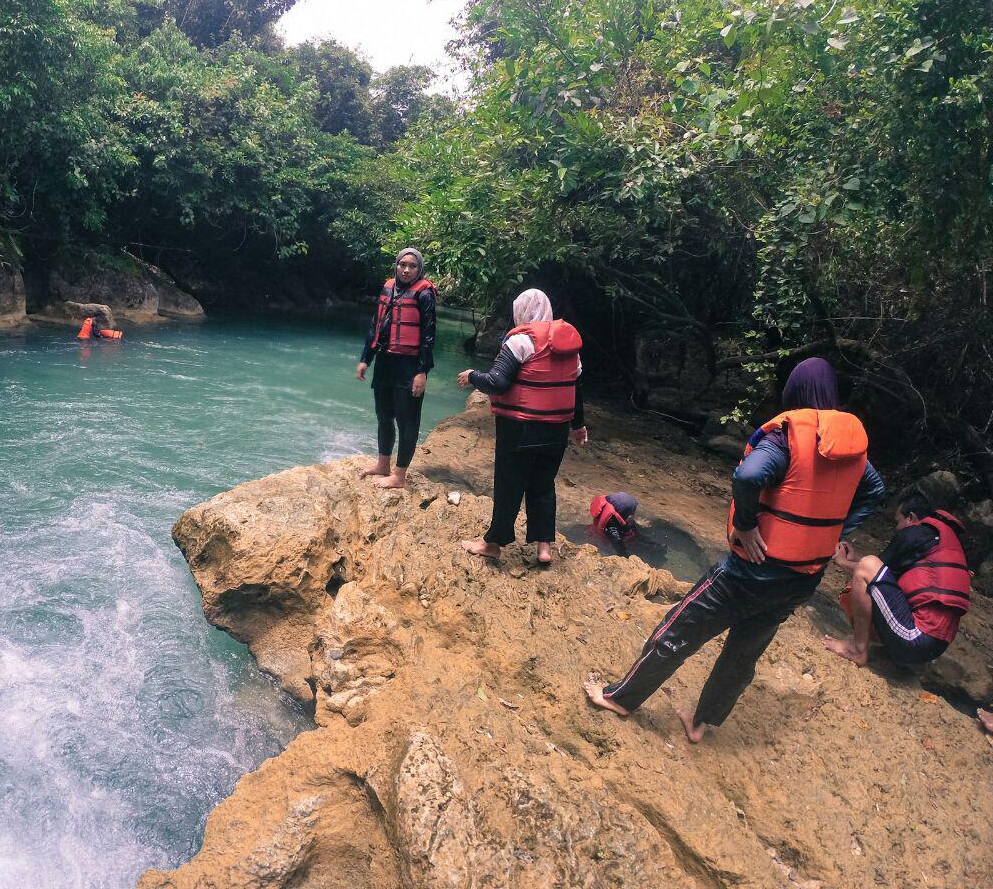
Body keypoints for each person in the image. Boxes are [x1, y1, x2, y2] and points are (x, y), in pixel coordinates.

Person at [586, 357, 886, 742]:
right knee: (744, 652)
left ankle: (620, 698)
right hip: (801, 580)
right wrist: (836, 531)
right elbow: (874, 491)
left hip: (751, 572)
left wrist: (745, 524)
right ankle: (700, 723)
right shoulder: (851, 449)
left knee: (678, 630)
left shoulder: (785, 438)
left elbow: (747, 475)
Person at [457, 289, 587, 565]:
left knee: (509, 485)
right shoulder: (568, 345)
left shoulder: (521, 341)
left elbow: (497, 382)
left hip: (520, 429)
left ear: (522, 312)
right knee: (542, 485)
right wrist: (578, 426)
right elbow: (575, 387)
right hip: (556, 431)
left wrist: (472, 376)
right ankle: (544, 548)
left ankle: (493, 544)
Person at [824, 494, 970, 667]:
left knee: (866, 566)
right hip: (933, 647)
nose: (897, 527)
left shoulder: (913, 534)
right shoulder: (935, 540)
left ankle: (857, 649)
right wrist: (853, 559)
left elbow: (868, 570)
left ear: (911, 518)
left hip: (914, 638)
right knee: (866, 565)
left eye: (898, 521)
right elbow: (882, 573)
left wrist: (842, 562)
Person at [356, 248, 436, 489]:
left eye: (412, 266)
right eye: (403, 264)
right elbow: (375, 326)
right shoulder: (388, 287)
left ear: (418, 269)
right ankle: (383, 464)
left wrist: (422, 371)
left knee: (407, 421)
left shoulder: (425, 294)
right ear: (397, 265)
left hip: (409, 365)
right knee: (384, 416)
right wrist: (365, 359)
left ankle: (399, 476)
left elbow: (428, 335)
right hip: (385, 362)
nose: (406, 269)